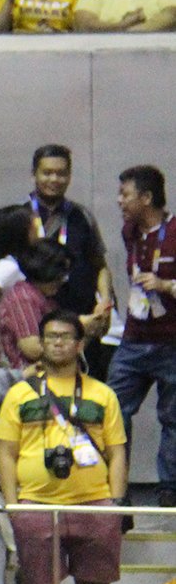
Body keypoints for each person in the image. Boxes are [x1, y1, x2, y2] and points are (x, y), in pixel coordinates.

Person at [0, 310, 130, 584]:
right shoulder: (19, 394)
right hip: (36, 505)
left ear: (80, 344)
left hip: (94, 505)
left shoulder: (103, 394)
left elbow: (117, 451)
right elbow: (6, 453)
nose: (58, 343)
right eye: (51, 337)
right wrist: (13, 507)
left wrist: (115, 504)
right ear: (41, 344)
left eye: (66, 337)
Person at [0, 144, 114, 343]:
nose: (54, 179)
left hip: (81, 322)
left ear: (69, 176)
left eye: (61, 173)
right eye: (47, 173)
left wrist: (105, 300)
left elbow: (100, 266)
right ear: (33, 174)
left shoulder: (82, 216)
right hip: (35, 327)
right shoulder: (19, 217)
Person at [114, 166, 176, 504]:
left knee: (172, 417)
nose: (119, 201)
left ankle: (169, 490)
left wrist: (166, 285)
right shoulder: (130, 232)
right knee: (114, 409)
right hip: (134, 337)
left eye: (126, 194)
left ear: (147, 198)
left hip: (171, 340)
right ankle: (116, 488)